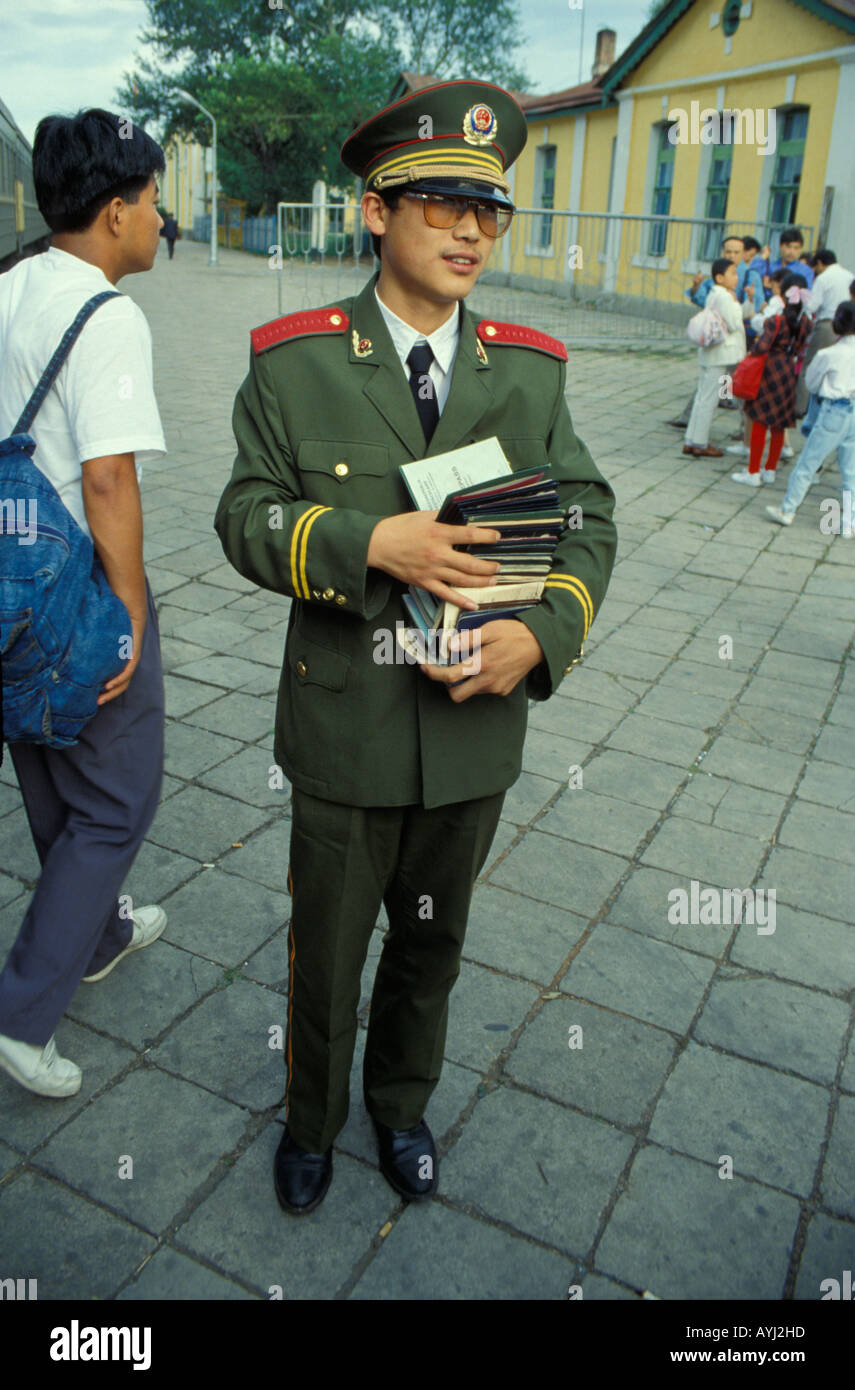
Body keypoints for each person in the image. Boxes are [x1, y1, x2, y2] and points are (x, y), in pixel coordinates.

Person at [213, 79, 618, 1215]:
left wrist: (536, 642)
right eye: (440, 204)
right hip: (346, 726)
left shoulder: (529, 369)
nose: (471, 231)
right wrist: (365, 540)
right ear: (375, 211)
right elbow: (243, 516)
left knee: (431, 949)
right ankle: (311, 1122)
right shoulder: (294, 361)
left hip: (473, 731)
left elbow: (589, 518)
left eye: (489, 211)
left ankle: (400, 1105)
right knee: (326, 958)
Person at [0, 110, 168, 1098]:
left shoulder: (8, 282)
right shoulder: (107, 315)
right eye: (151, 203)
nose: (159, 220)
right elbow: (108, 481)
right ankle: (22, 1017)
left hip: (4, 584)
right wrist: (132, 610)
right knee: (118, 798)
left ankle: (96, 929)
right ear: (114, 211)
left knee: (48, 766)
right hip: (72, 592)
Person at [765, 301, 855, 534]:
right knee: (850, 471)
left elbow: (811, 383)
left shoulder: (829, 353)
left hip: (833, 410)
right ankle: (849, 522)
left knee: (808, 464)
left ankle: (788, 509)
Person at [731, 271, 812, 486]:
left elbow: (761, 347)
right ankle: (770, 470)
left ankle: (753, 472)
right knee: (779, 424)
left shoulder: (775, 321)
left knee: (760, 420)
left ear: (783, 296)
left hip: (769, 370)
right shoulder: (806, 322)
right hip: (788, 371)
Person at [666, 234, 747, 430]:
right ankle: (694, 427)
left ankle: (743, 425)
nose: (732, 255)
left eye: (736, 252)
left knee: (738, 384)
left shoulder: (749, 274)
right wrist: (696, 287)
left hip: (741, 338)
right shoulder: (717, 280)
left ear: (743, 254)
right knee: (711, 388)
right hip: (721, 340)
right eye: (728, 251)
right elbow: (705, 302)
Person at [682, 256, 746, 458]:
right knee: (709, 399)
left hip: (710, 354)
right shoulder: (726, 297)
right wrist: (737, 304)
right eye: (733, 274)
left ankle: (691, 440)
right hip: (720, 355)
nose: (736, 278)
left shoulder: (714, 293)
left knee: (703, 397)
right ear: (719, 277)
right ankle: (700, 443)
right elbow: (735, 324)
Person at [796, 249, 854, 416]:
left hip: (828, 324)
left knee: (810, 365)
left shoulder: (823, 278)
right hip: (849, 326)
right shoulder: (849, 275)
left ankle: (800, 407)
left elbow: (813, 305)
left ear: (820, 263)